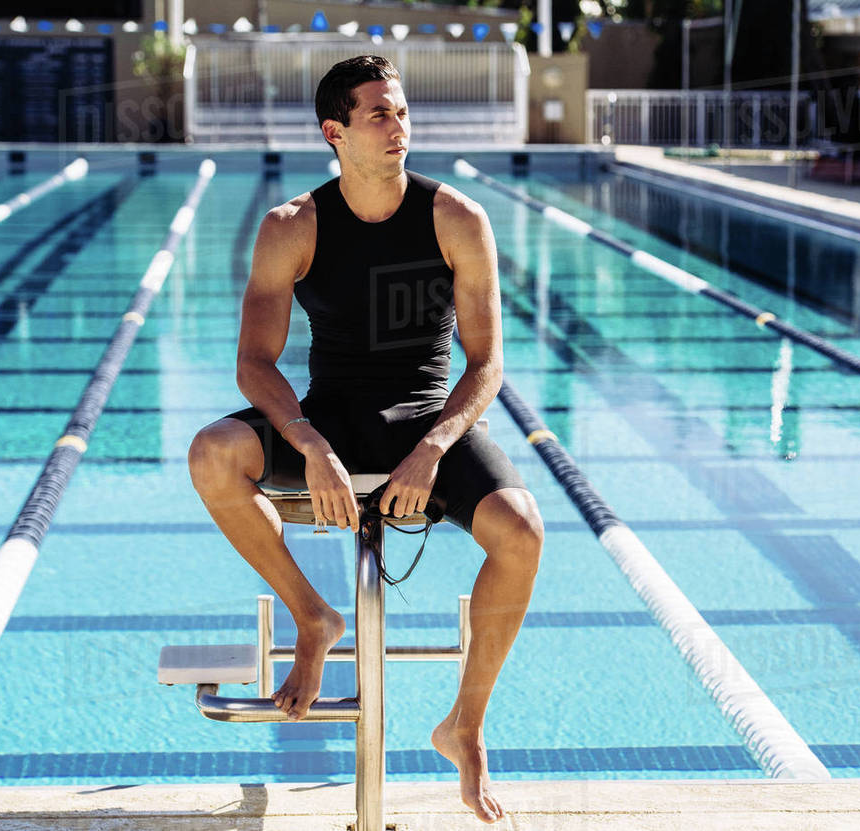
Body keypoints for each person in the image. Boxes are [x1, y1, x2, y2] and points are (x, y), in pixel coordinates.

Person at [187, 55, 543, 824]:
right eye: (379, 114)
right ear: (335, 132)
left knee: (522, 531)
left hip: (427, 423)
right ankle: (312, 614)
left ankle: (465, 724)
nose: (398, 126)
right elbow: (254, 362)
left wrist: (437, 444)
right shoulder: (294, 227)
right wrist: (308, 442)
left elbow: (487, 364)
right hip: (332, 419)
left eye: (402, 111)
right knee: (212, 453)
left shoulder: (454, 217)